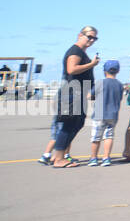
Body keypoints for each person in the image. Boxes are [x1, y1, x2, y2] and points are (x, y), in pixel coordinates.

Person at [49, 27, 99, 168]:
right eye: (89, 36)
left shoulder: (81, 52)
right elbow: (72, 69)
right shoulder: (75, 51)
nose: (91, 40)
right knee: (69, 125)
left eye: (94, 38)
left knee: (77, 123)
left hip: (78, 92)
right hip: (71, 92)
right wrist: (92, 64)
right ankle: (59, 158)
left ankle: (58, 154)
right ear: (80, 35)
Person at [88, 61, 124, 166]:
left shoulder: (100, 82)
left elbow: (90, 96)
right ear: (118, 71)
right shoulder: (119, 84)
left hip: (99, 113)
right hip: (113, 114)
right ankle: (106, 157)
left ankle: (94, 158)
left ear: (105, 71)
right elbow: (120, 98)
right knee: (108, 136)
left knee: (96, 137)